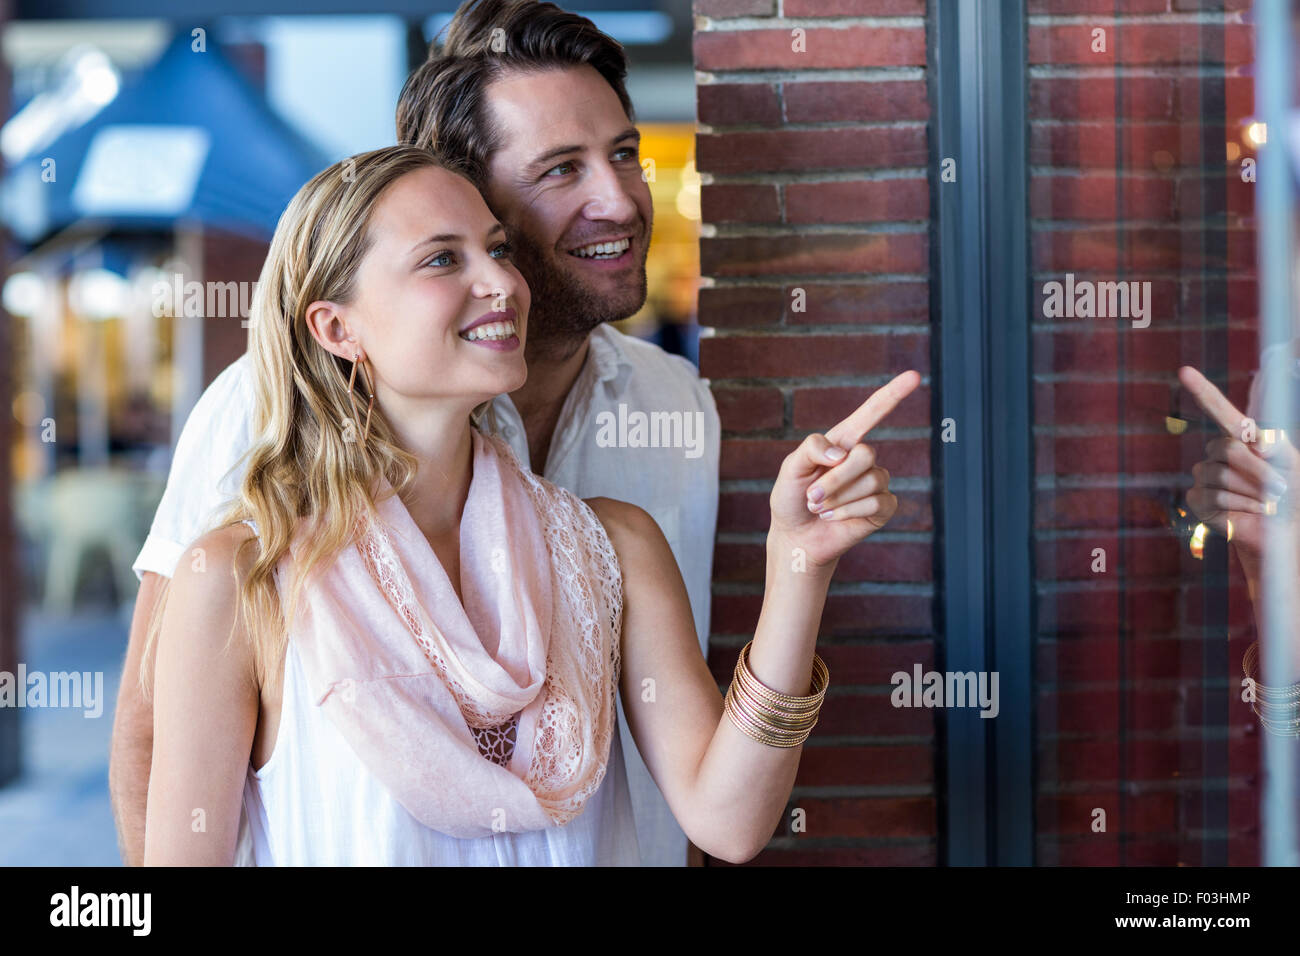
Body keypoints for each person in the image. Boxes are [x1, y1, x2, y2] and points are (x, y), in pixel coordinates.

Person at [141, 145, 919, 866]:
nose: (504, 283)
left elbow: (730, 820)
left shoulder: (614, 545)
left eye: (499, 249)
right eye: (444, 258)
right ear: (337, 327)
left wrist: (799, 565)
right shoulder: (241, 578)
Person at [112, 0, 720, 867]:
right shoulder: (264, 406)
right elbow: (147, 732)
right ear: (466, 186)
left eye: (623, 154)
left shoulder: (678, 404)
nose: (618, 198)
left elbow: (688, 757)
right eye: (561, 169)